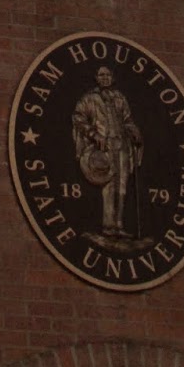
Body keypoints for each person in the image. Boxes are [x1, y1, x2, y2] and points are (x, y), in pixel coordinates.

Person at [72, 65, 143, 238]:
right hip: (103, 146)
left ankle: (119, 225)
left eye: (108, 75)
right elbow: (78, 117)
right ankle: (108, 225)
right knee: (109, 185)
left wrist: (134, 131)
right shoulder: (89, 98)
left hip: (122, 145)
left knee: (122, 185)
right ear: (96, 77)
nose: (105, 78)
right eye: (101, 74)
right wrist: (94, 134)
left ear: (112, 77)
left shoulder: (119, 98)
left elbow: (127, 119)